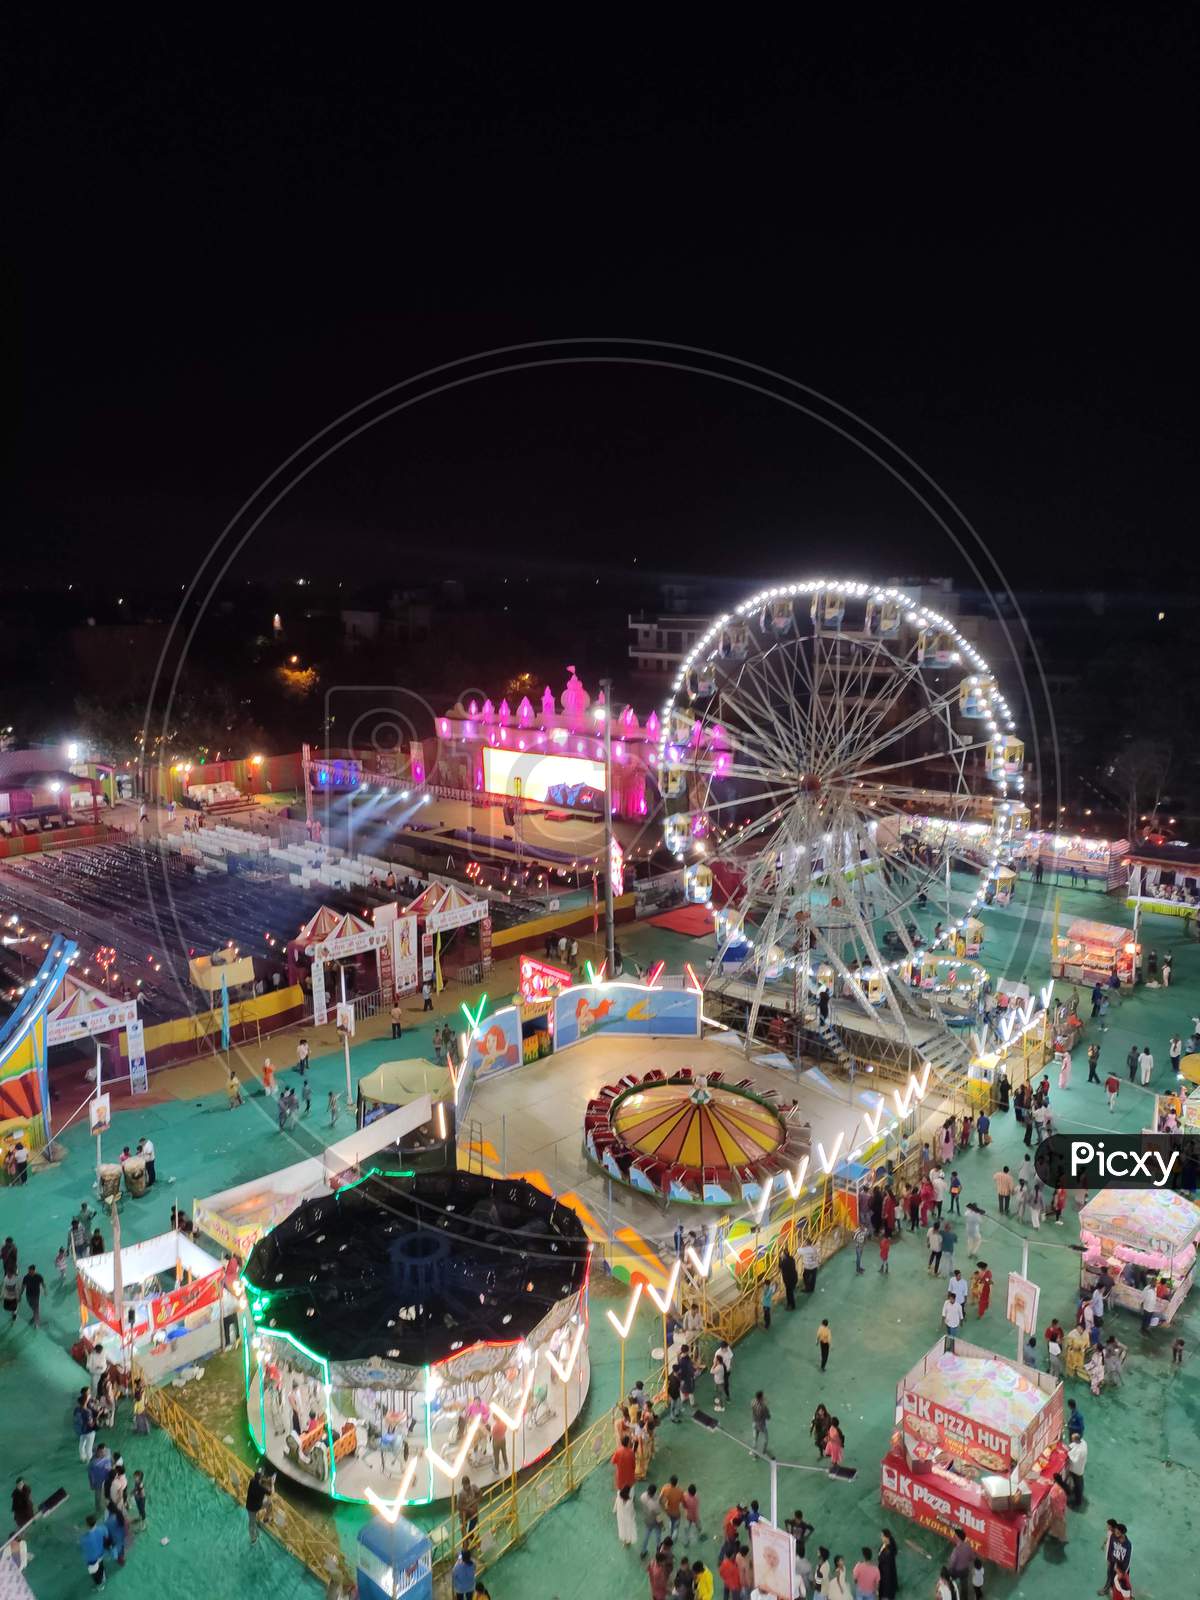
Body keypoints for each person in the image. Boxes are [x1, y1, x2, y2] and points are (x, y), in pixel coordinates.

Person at [80, 1514, 109, 1589]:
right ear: (95, 1522)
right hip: (101, 1554)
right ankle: (103, 1577)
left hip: (92, 1560)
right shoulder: (102, 1529)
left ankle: (100, 1586)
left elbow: (84, 1548)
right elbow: (106, 1535)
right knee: (101, 1566)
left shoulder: (85, 1539)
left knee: (95, 1574)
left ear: (87, 1525)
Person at [639, 1483, 665, 1559]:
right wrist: (662, 1525)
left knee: (646, 1535)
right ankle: (658, 1549)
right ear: (654, 1492)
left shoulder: (643, 1496)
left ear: (648, 1490)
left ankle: (643, 1551)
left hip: (647, 1518)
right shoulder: (655, 1504)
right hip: (655, 1521)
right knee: (658, 1535)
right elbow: (658, 1517)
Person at [245, 1463, 269, 1543]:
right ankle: (253, 1539)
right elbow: (270, 1492)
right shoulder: (261, 1488)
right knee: (251, 1524)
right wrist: (271, 1483)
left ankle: (255, 1535)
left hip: (250, 1506)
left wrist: (265, 1480)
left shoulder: (252, 1482)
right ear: (260, 1479)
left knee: (252, 1521)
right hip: (255, 1507)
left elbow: (258, 1481)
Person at [74, 1388, 98, 1462]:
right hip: (89, 1431)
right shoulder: (87, 1411)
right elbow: (91, 1424)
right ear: (85, 1401)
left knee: (81, 1445)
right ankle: (89, 1461)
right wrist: (97, 1418)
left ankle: (82, 1457)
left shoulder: (77, 1409)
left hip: (81, 1430)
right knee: (89, 1448)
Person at [1066, 1431, 1087, 1507]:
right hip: (1080, 1468)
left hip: (1077, 1470)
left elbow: (1075, 1460)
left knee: (1078, 1485)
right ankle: (1076, 1494)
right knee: (1079, 1482)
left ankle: (1078, 1502)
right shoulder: (1083, 1442)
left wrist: (1069, 1454)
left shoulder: (1080, 1451)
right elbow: (1074, 1445)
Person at [21, 1263, 45, 1327]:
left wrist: (44, 1290)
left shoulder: (38, 1276)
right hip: (28, 1295)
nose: (29, 1272)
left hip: (36, 1295)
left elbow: (42, 1283)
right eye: (28, 1271)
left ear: (34, 1270)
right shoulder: (26, 1277)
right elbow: (23, 1286)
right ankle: (35, 1314)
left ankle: (36, 1323)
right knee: (31, 1306)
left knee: (36, 1308)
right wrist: (20, 1293)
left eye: (30, 1271)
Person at [877, 1532, 898, 1600]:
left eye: (882, 1536)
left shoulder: (888, 1550)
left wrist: (880, 1557)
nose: (881, 1537)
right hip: (888, 1568)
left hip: (886, 1570)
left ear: (886, 1537)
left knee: (887, 1583)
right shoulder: (886, 1545)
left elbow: (882, 1558)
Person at [751, 1391, 772, 1456]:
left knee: (755, 1439)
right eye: (763, 1396)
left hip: (754, 1422)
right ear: (760, 1398)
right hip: (761, 1425)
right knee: (766, 1439)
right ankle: (764, 1451)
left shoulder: (753, 1402)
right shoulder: (763, 1407)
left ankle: (754, 1453)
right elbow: (768, 1417)